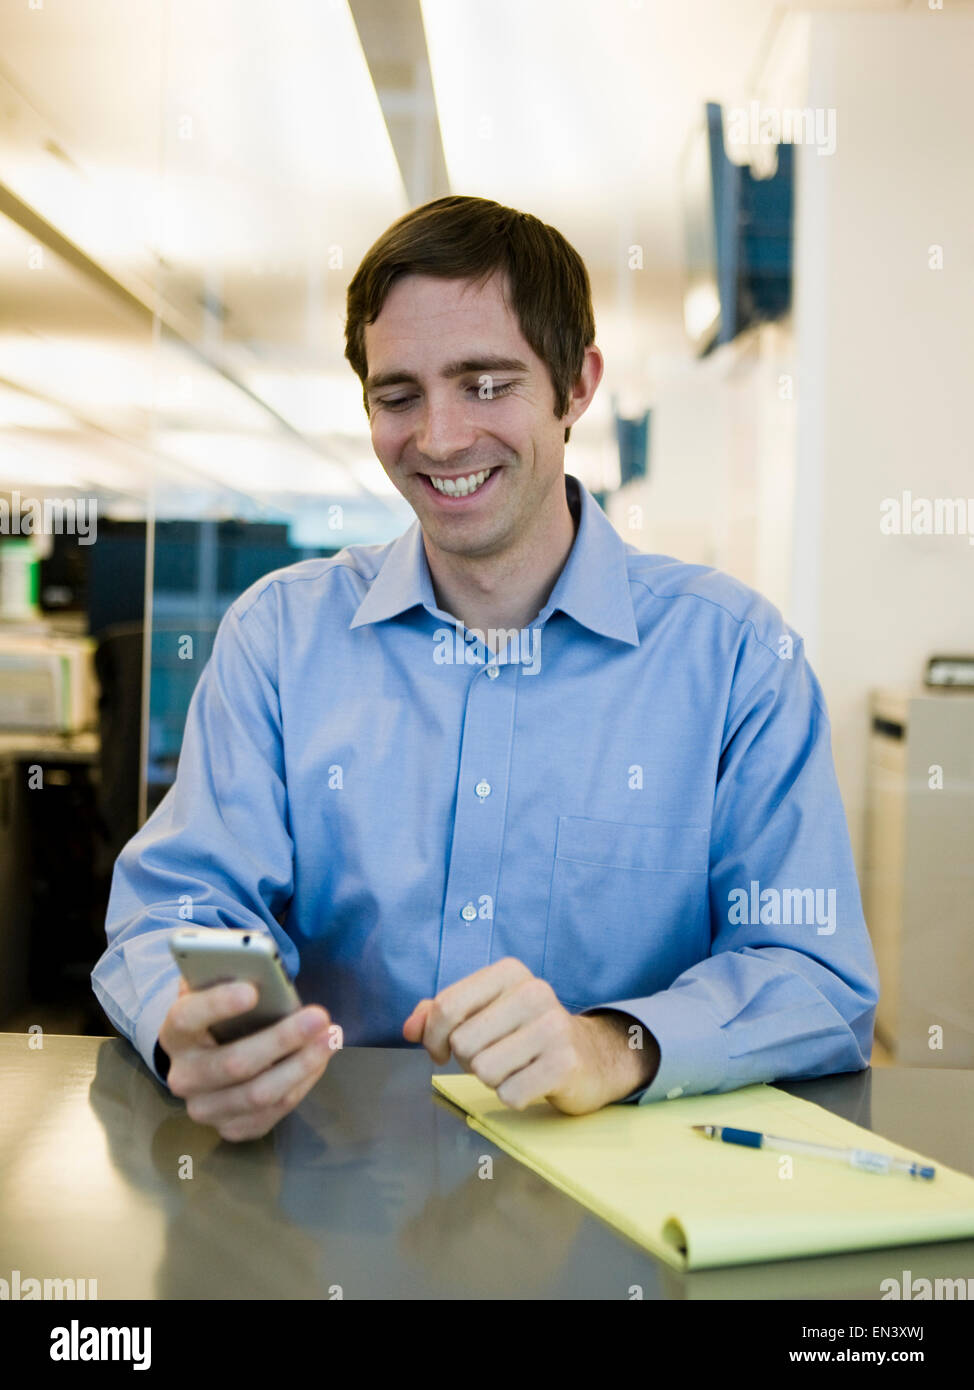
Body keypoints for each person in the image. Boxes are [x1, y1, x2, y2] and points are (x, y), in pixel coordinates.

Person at [92, 195, 878, 1142]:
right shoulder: (279, 638)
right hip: (325, 1198)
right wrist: (192, 1030)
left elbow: (816, 977)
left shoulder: (737, 659)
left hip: (627, 1210)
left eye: (486, 383)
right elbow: (175, 905)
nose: (441, 437)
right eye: (398, 396)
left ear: (576, 384)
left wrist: (612, 1045)